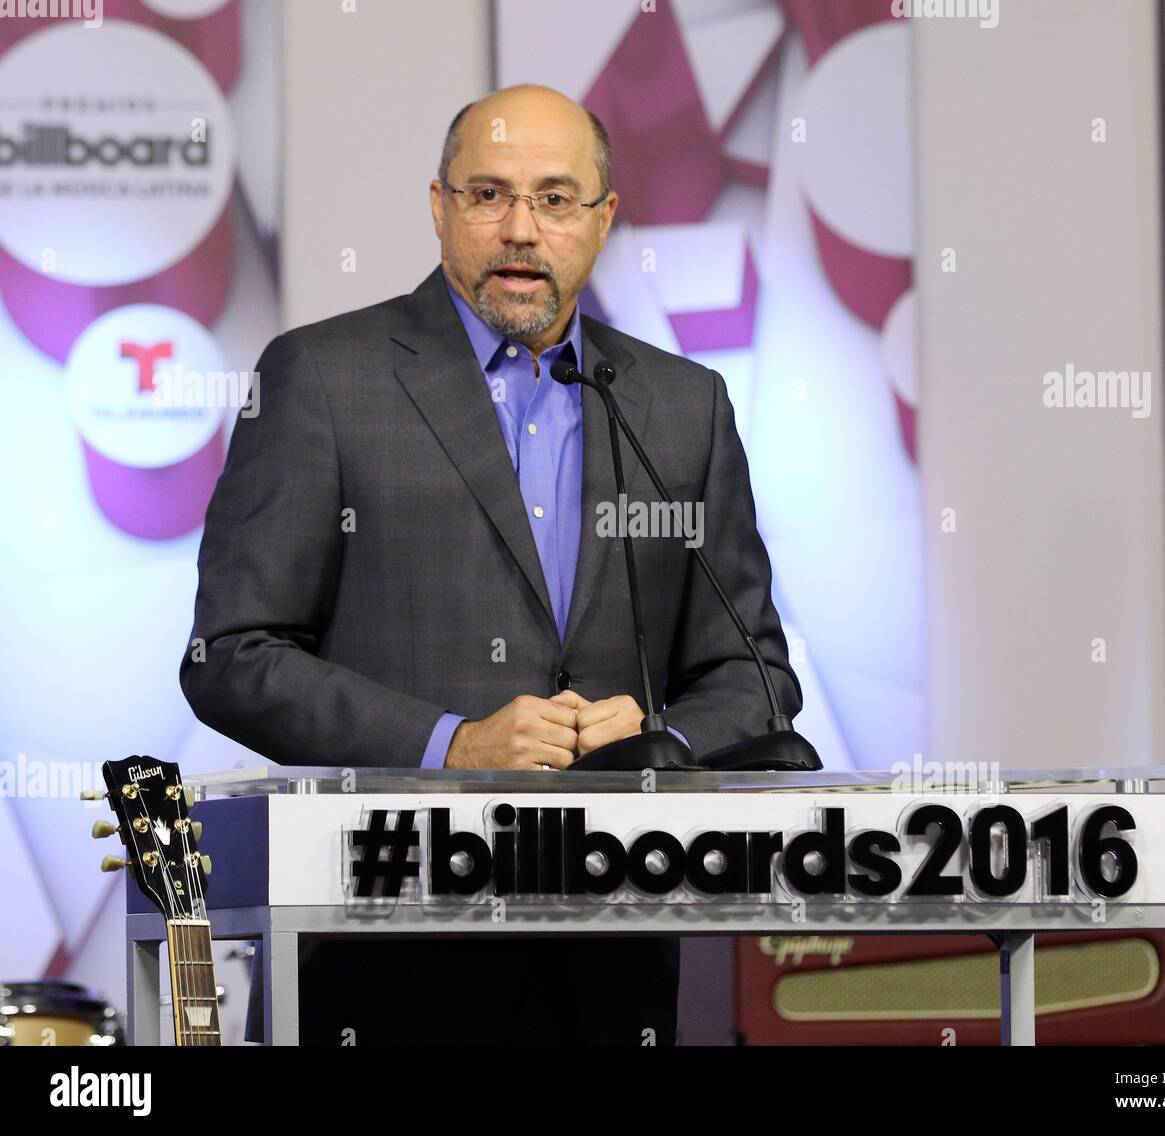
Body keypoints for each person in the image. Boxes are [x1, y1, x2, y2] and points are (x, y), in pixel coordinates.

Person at [180, 84, 800, 1045]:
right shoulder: (326, 378)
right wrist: (449, 746)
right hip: (382, 965)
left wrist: (659, 746)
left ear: (603, 222)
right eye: (487, 195)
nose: (521, 229)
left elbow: (753, 676)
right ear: (439, 208)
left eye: (555, 199)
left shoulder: (683, 406)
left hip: (610, 967)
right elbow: (232, 654)